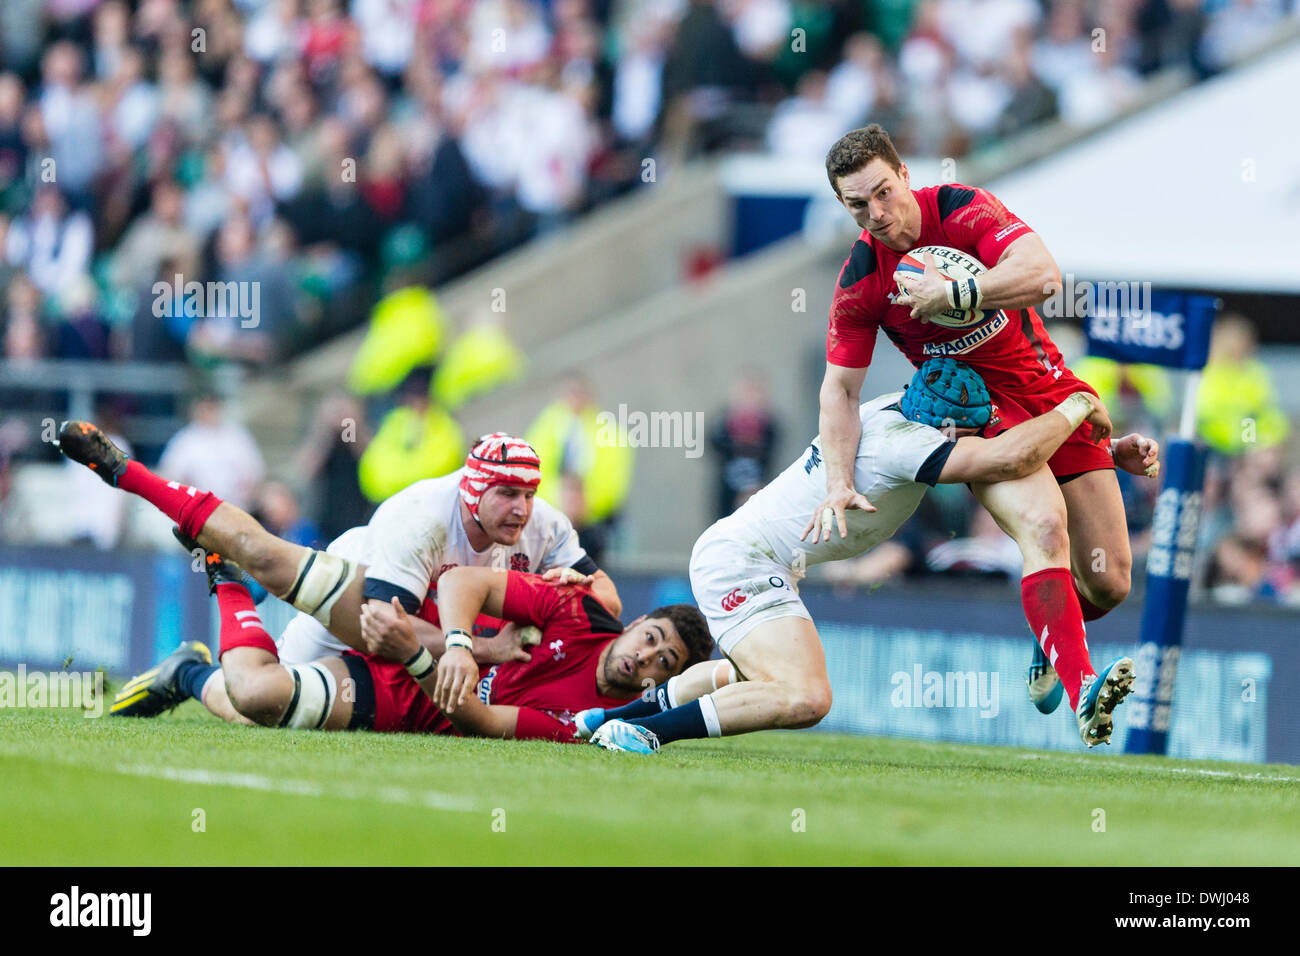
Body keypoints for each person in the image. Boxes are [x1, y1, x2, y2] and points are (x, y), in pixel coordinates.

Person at [577, 359, 1160, 753]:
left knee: (753, 676)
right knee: (806, 696)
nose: (972, 434)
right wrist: (1076, 410)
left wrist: (1104, 453)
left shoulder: (899, 409)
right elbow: (1007, 460)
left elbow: (999, 454)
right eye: (968, 427)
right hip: (743, 560)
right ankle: (646, 737)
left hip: (754, 555)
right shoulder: (904, 445)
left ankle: (605, 721)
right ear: (943, 422)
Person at [809, 124, 1151, 720]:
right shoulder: (862, 281)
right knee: (1045, 530)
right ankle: (1084, 689)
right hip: (980, 415)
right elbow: (839, 388)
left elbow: (1043, 276)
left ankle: (1051, 642)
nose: (877, 214)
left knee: (1110, 582)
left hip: (1052, 392)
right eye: (858, 205)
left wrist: (958, 294)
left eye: (884, 192)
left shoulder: (962, 208)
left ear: (905, 175)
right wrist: (839, 481)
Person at [57, 424, 626, 711]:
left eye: (528, 494)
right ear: (471, 490)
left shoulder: (544, 523)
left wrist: (576, 585)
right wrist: (480, 647)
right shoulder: (422, 518)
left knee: (256, 699)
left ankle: (188, 666)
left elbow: (607, 604)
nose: (521, 509)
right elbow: (384, 629)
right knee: (253, 693)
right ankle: (130, 477)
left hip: (434, 646)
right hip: (369, 598)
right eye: (506, 494)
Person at [112, 535, 712, 741]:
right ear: (635, 622)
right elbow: (464, 580)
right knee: (298, 570)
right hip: (402, 611)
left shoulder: (604, 724)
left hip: (405, 691)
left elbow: (481, 721)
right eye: (652, 637)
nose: (647, 659)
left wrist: (423, 660)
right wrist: (455, 643)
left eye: (665, 662)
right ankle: (215, 536)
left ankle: (195, 653)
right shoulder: (576, 609)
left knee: (259, 703)